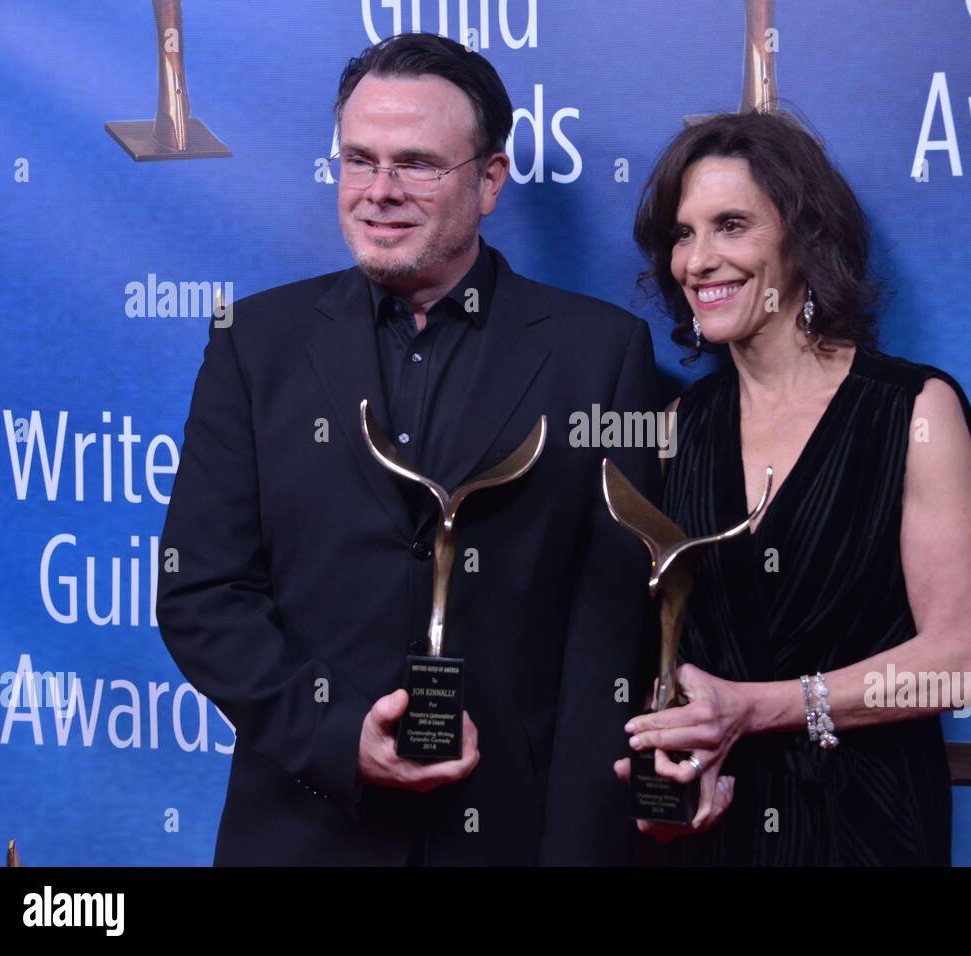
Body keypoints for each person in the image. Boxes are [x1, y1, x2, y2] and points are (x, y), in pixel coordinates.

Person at [156, 33, 661, 866]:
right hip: (301, 827)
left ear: (490, 181)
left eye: (418, 164)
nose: (380, 192)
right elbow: (203, 593)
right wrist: (334, 734)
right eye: (359, 160)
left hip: (508, 833)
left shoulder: (597, 353)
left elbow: (607, 629)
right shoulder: (256, 344)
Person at [618, 110, 971, 865]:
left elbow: (963, 661)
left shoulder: (911, 410)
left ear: (805, 238)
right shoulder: (676, 427)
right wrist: (660, 784)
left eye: (731, 225)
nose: (698, 260)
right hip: (714, 830)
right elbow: (660, 656)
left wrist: (759, 710)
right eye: (682, 234)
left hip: (868, 822)